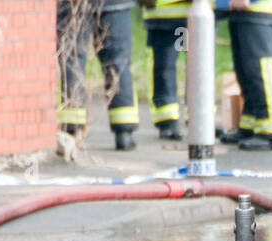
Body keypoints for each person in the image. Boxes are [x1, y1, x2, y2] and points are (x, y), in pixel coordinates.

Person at [57, 0, 141, 151]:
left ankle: (72, 130)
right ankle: (124, 133)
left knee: (73, 59)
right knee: (118, 63)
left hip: (73, 5)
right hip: (115, 5)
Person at [219, 0, 272, 151]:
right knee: (245, 71)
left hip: (259, 7)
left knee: (260, 70)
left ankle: (271, 131)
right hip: (240, 9)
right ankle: (250, 124)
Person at [141, 0, 190, 141]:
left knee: (200, 70)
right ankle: (167, 121)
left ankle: (201, 119)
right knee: (164, 69)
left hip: (198, 13)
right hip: (163, 16)